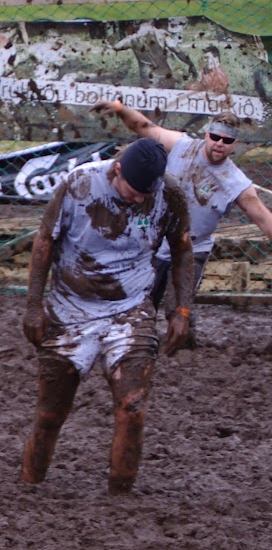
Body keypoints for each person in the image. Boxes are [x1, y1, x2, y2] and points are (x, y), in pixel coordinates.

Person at [20, 138, 193, 494]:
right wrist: (34, 306)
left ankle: (119, 498)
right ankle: (29, 485)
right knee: (50, 413)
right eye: (133, 191)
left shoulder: (169, 194)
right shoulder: (79, 185)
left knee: (133, 407)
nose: (140, 199)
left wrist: (182, 308)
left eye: (147, 193)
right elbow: (44, 241)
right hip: (70, 306)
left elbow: (182, 248)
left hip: (131, 307)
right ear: (117, 170)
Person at [93, 103, 272, 322]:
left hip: (192, 248)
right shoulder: (182, 146)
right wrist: (120, 108)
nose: (219, 144)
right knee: (140, 303)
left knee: (178, 312)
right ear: (207, 134)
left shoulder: (236, 183)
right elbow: (144, 127)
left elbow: (263, 218)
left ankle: (183, 346)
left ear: (234, 144)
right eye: (215, 137)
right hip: (156, 240)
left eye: (227, 141)